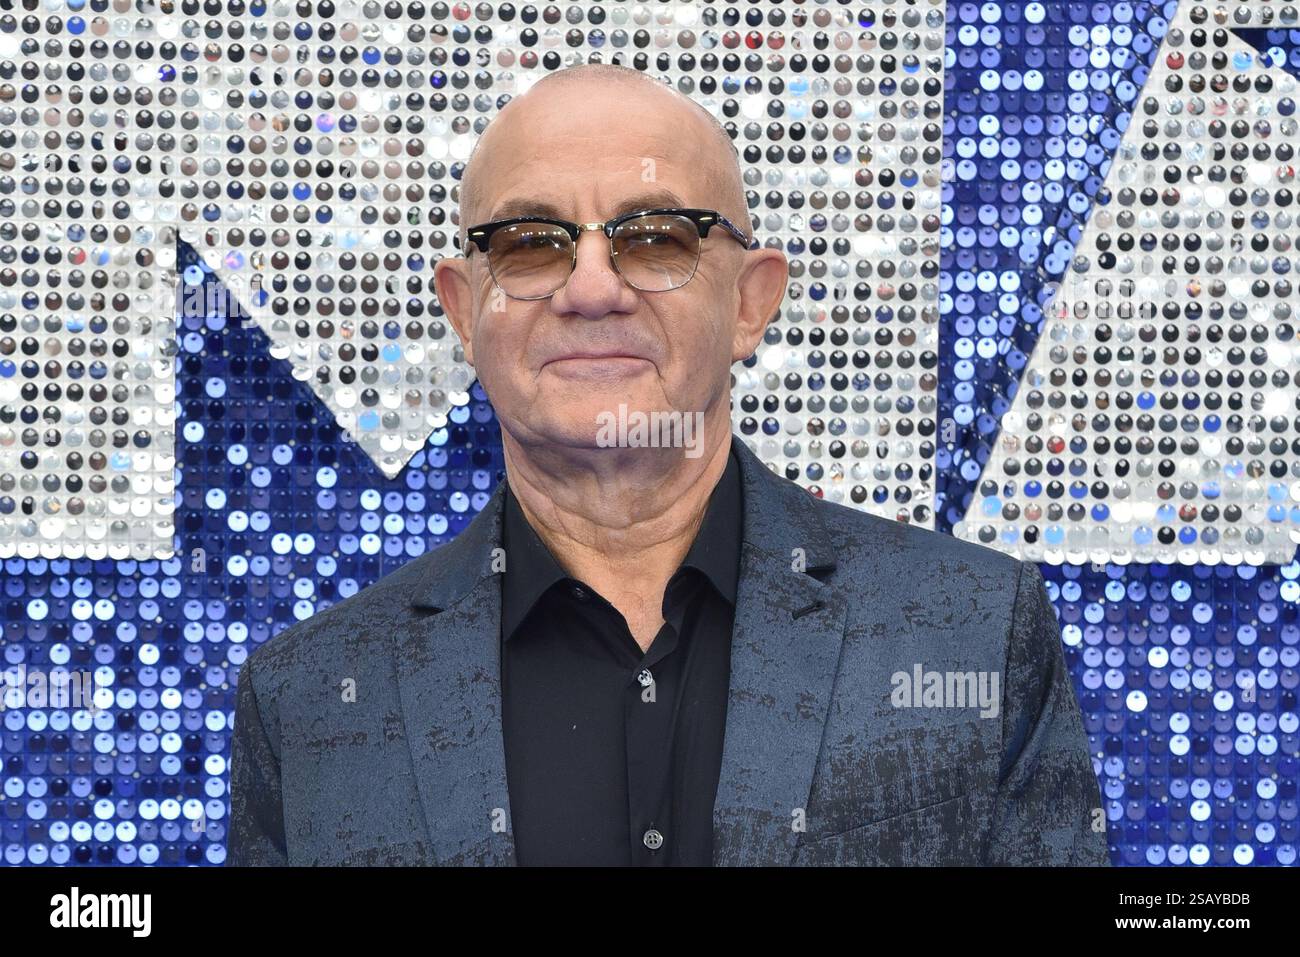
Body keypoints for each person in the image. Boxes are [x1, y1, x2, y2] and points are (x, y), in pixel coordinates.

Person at [228, 63, 1109, 866]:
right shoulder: (307, 701)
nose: (591, 288)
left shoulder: (970, 630)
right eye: (532, 241)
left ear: (751, 302)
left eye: (655, 238)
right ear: (465, 311)